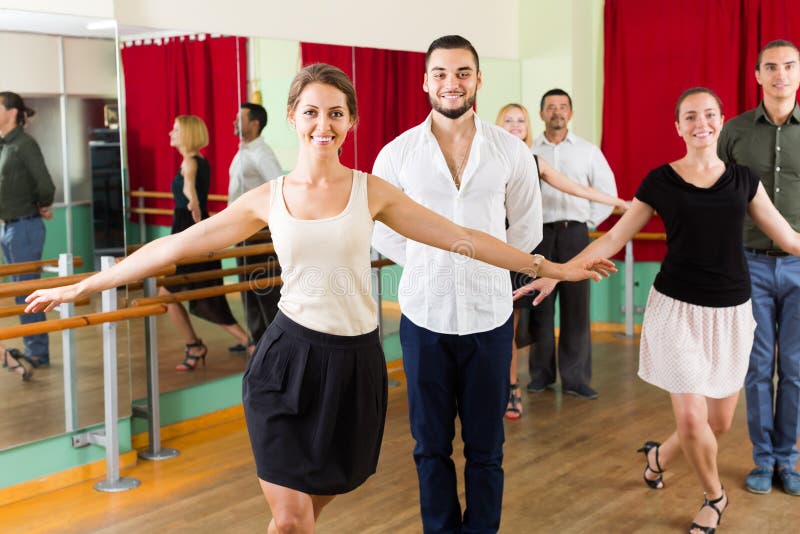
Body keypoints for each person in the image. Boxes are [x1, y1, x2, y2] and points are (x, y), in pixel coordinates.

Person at [25, 63, 614, 534]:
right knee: (290, 519)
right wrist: (84, 285)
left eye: (336, 113)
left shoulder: (372, 190)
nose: (323, 125)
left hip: (355, 364)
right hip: (286, 361)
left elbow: (463, 239)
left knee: (315, 503)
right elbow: (178, 244)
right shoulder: (268, 197)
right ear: (292, 117)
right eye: (311, 112)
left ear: (351, 121)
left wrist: (550, 265)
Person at [517, 87, 800, 533]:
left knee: (718, 423)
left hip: (730, 314)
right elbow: (612, 238)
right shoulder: (660, 181)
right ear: (678, 127)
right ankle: (714, 497)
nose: (700, 123)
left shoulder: (745, 180)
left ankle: (658, 457)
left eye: (709, 115)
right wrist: (558, 271)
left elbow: (788, 238)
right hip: (676, 310)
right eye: (690, 116)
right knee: (691, 419)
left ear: (722, 121)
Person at [371, 35, 543, 533]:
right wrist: (428, 262)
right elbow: (384, 230)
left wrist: (483, 268)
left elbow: (527, 231)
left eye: (462, 73)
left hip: (490, 318)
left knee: (487, 449)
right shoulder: (397, 154)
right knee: (429, 447)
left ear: (478, 80)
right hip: (424, 319)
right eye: (441, 74)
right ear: (425, 81)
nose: (452, 83)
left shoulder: (511, 151)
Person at [495, 103, 627, 419]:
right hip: (490, 249)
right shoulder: (484, 155)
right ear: (498, 124)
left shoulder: (534, 160)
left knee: (509, 326)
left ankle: (513, 388)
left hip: (521, 250)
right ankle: (499, 384)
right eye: (508, 121)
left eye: (520, 121)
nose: (514, 126)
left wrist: (620, 202)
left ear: (527, 127)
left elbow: (578, 188)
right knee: (497, 325)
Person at [717, 39, 800, 497]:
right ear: (757, 75)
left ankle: (789, 459)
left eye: (789, 66)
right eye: (771, 67)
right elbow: (719, 197)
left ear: (799, 74)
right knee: (757, 367)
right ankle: (763, 460)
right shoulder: (734, 131)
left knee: (794, 368)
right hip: (749, 266)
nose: (780, 74)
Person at [523, 89, 620, 401]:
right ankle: (540, 375)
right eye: (550, 107)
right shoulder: (528, 150)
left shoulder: (588, 151)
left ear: (571, 113)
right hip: (538, 235)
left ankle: (576, 378)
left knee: (577, 307)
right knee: (540, 306)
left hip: (576, 235)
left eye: (562, 106)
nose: (557, 112)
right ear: (541, 114)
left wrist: (586, 223)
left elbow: (606, 192)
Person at [164, 114, 251, 371]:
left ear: (188, 135)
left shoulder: (191, 162)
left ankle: (239, 344)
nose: (171, 133)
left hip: (188, 228)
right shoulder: (200, 160)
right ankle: (240, 344)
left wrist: (194, 207)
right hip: (194, 229)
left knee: (179, 294)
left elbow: (191, 189)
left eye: (176, 129)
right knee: (198, 294)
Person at [0, 91, 55, 370]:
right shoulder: (5, 145)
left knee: (28, 292)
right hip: (10, 227)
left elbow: (45, 185)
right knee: (20, 292)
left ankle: (38, 351)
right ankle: (32, 347)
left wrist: (40, 205)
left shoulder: (24, 144)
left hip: (25, 227)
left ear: (11, 112)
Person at [229, 102, 283, 348]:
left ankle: (274, 340)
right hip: (242, 229)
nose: (234, 122)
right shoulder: (243, 150)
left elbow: (278, 185)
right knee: (247, 287)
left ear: (254, 124)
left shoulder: (262, 153)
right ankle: (256, 338)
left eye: (239, 119)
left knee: (264, 288)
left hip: (258, 231)